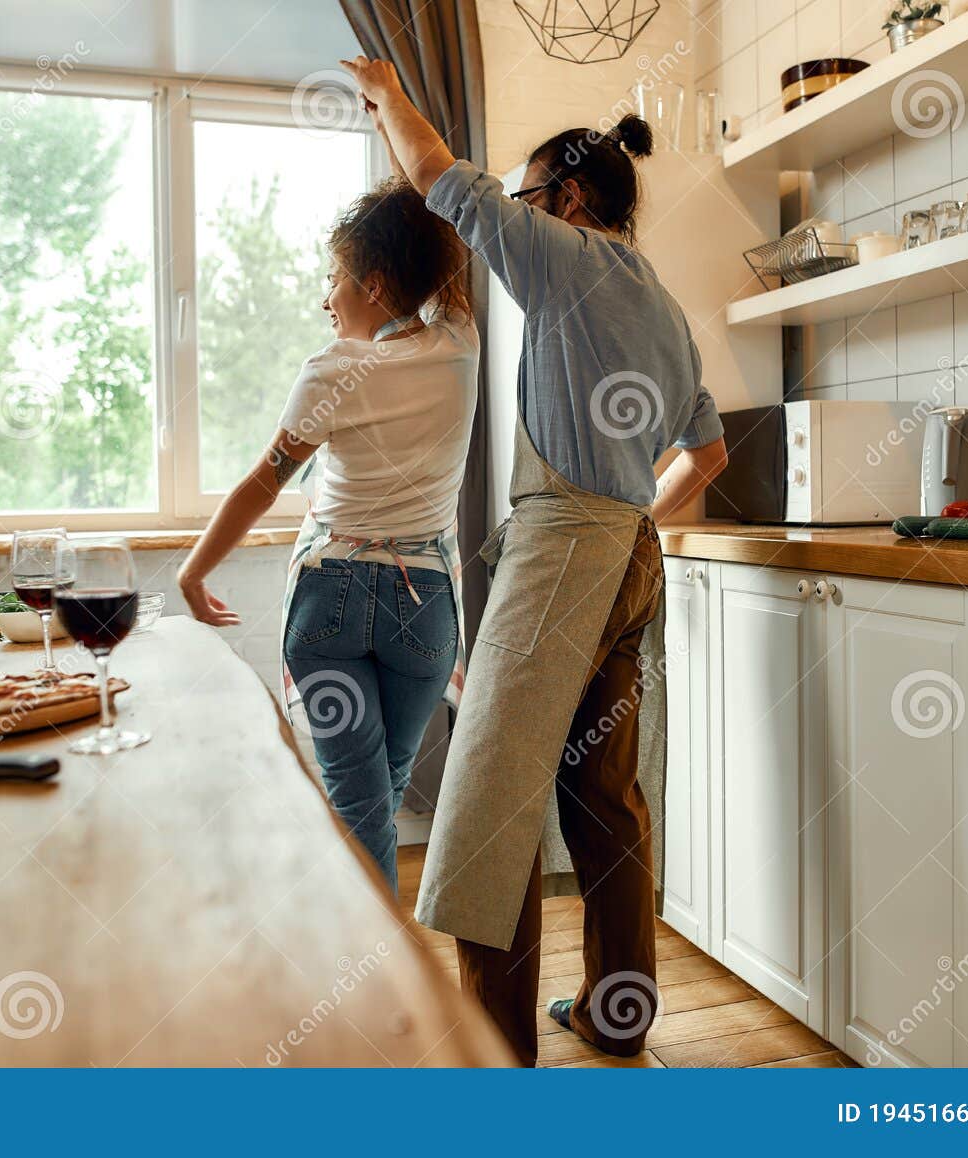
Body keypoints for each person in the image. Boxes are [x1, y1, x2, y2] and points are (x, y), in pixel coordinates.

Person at [340, 56, 731, 1066]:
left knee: (486, 805)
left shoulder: (561, 257)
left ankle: (489, 1055)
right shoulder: (668, 311)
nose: (513, 214)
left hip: (565, 548)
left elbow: (435, 174)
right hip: (628, 551)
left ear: (564, 197)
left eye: (525, 196)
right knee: (601, 800)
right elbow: (711, 453)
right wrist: (635, 509)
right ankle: (615, 1017)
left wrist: (385, 89)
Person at [177, 123, 478, 898]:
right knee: (385, 784)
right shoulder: (462, 343)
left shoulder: (332, 370)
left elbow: (261, 483)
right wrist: (391, 115)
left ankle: (375, 988)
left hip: (334, 599)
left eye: (336, 277)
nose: (325, 297)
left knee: (354, 799)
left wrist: (193, 570)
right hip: (426, 608)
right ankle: (387, 978)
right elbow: (445, 236)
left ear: (374, 285)